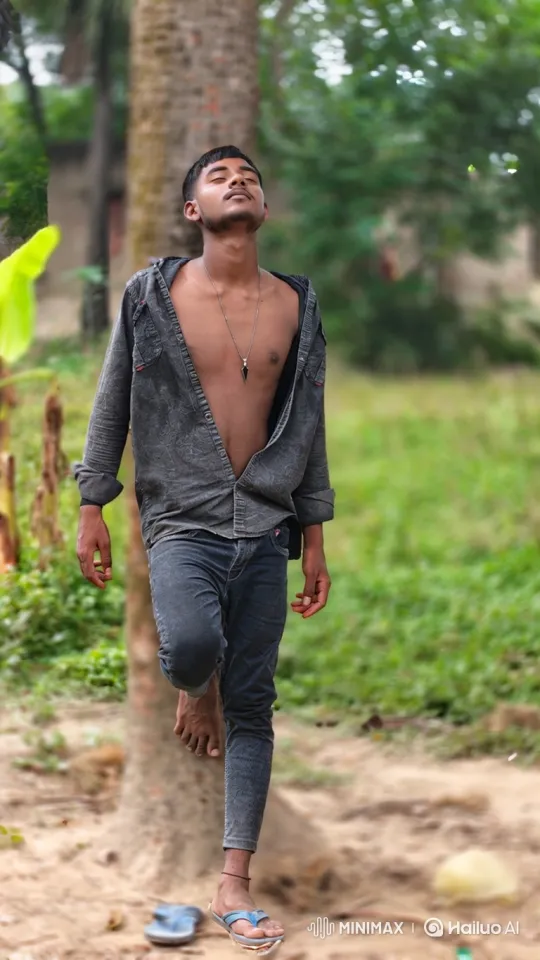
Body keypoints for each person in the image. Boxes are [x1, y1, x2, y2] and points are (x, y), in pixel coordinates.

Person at [74, 146, 334, 952]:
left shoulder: (297, 304)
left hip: (267, 525)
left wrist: (315, 534)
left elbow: (310, 425)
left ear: (264, 208)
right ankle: (196, 686)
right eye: (219, 177)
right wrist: (92, 502)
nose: (238, 180)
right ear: (193, 211)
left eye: (249, 176)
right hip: (181, 519)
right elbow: (112, 394)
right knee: (191, 649)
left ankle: (234, 884)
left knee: (253, 708)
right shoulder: (151, 295)